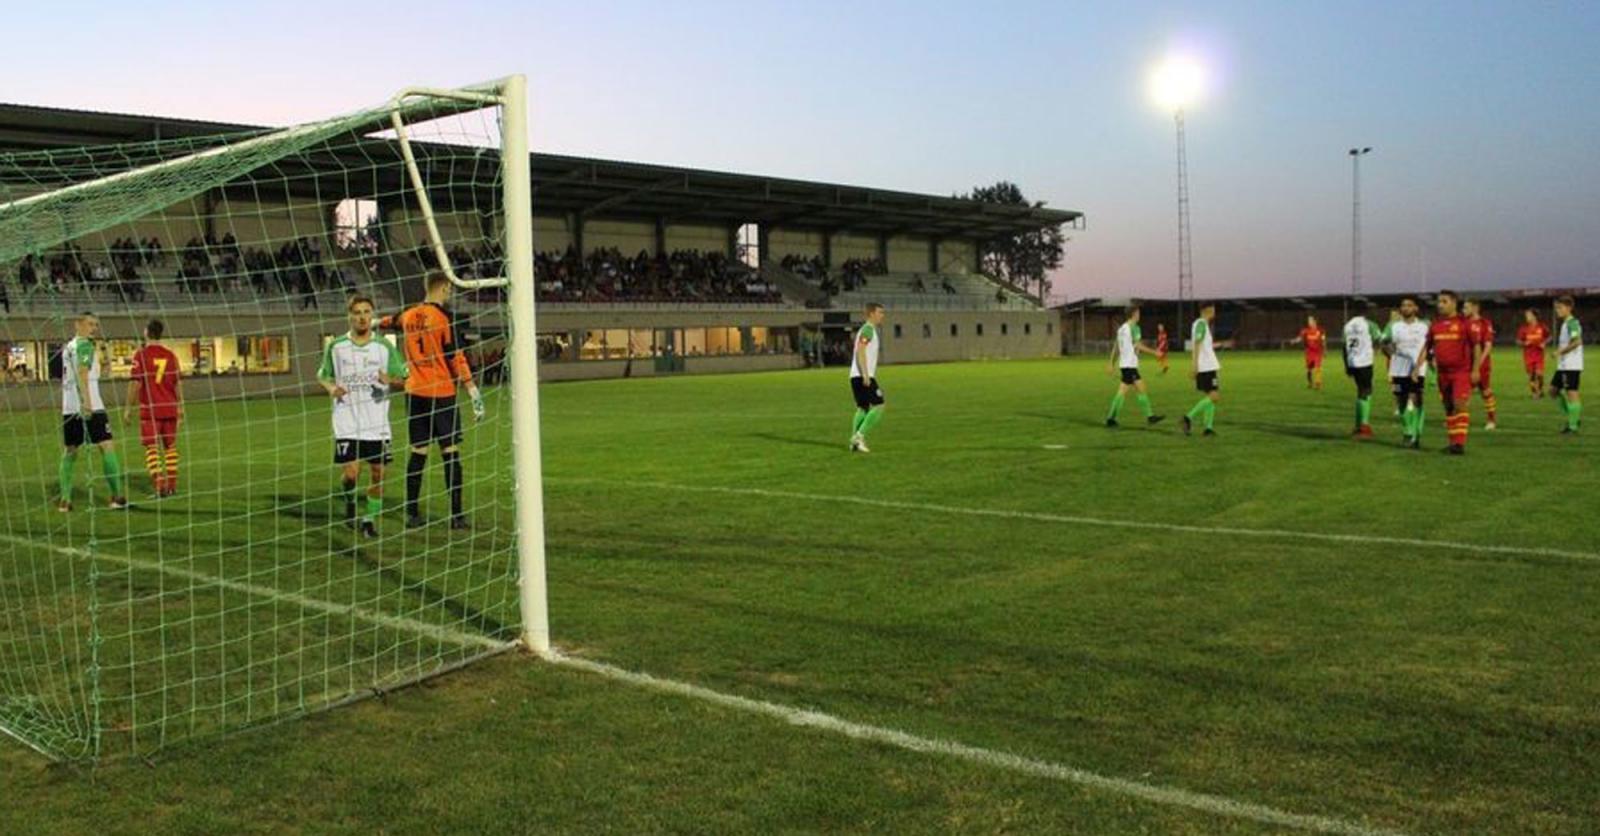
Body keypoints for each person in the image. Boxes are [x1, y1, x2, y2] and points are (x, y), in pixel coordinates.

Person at [389, 273, 484, 530]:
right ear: (443, 288)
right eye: (449, 290)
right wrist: (471, 388)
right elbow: (456, 357)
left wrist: (377, 320)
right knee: (450, 453)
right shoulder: (444, 318)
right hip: (441, 393)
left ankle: (412, 514)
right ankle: (456, 516)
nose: (450, 294)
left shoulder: (408, 315)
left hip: (414, 393)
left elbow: (391, 321)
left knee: (418, 453)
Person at [320, 295, 408, 538]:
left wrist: (390, 380)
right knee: (351, 474)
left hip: (377, 423)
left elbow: (405, 378)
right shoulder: (336, 346)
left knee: (378, 473)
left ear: (372, 315)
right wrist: (331, 389)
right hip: (346, 421)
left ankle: (369, 519)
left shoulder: (384, 347)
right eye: (357, 312)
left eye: (366, 312)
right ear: (349, 316)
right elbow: (323, 375)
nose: (362, 317)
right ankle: (350, 501)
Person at [57, 312, 127, 511]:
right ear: (77, 324)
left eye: (95, 325)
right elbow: (82, 372)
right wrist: (87, 401)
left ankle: (65, 500)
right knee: (107, 446)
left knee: (70, 450)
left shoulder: (69, 347)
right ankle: (117, 496)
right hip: (92, 406)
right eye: (90, 324)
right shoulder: (85, 345)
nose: (93, 328)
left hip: (69, 407)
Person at [123, 319, 183, 497]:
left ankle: (159, 486)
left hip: (150, 409)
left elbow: (135, 383)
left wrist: (128, 408)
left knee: (151, 448)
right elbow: (177, 383)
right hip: (170, 407)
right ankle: (172, 486)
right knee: (170, 446)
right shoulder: (171, 356)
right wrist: (180, 407)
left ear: (146, 332)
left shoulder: (140, 355)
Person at [1424, 290, 1477, 455]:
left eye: (1444, 301)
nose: (1440, 305)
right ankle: (1453, 443)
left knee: (1459, 404)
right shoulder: (1436, 325)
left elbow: (1477, 346)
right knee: (1448, 407)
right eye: (1439, 302)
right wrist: (1425, 362)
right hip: (1442, 373)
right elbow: (1428, 346)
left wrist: (1475, 369)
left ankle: (1460, 444)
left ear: (1454, 303)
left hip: (1461, 372)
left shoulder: (1464, 323)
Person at [1104, 305, 1165, 428]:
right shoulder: (1134, 328)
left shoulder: (1122, 329)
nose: (1139, 315)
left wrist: (1111, 363)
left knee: (1137, 389)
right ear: (1134, 314)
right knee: (1126, 391)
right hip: (1130, 365)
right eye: (1138, 313)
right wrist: (1155, 353)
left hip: (1125, 365)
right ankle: (1148, 417)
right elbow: (1138, 346)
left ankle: (1113, 418)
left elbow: (1116, 348)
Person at [1385, 297, 1430, 448]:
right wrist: (1391, 353)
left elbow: (1429, 346)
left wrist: (1423, 364)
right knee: (1401, 400)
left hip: (1418, 368)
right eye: (1403, 305)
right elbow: (1384, 343)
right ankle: (1407, 431)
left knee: (1417, 398)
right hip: (1399, 367)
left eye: (1409, 305)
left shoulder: (1424, 326)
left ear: (1416, 308)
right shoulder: (1393, 326)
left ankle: (1416, 434)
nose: (1405, 308)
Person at [1181, 301, 1225, 436]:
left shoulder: (1200, 324)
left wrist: (1220, 344)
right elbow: (1197, 344)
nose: (1215, 311)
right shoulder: (1201, 324)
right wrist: (1194, 365)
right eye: (1213, 308)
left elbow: (1204, 345)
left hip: (1206, 366)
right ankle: (1188, 418)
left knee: (1210, 396)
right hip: (1206, 367)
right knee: (1214, 396)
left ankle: (1208, 428)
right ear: (1208, 310)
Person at [848, 303, 887, 453]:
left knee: (863, 408)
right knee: (879, 405)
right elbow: (861, 351)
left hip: (854, 375)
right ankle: (859, 436)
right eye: (880, 312)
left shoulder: (868, 330)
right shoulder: (868, 329)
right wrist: (865, 374)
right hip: (863, 375)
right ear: (871, 314)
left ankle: (854, 442)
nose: (882, 315)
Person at [1342, 309, 1384, 438]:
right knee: (1366, 391)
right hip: (1365, 362)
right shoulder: (1369, 324)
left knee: (1360, 392)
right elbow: (1381, 338)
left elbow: (1344, 347)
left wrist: (1347, 365)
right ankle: (1364, 427)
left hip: (1352, 362)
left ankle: (1358, 425)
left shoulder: (1347, 325)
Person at [1462, 299, 1499, 430]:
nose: (1463, 310)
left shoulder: (1485, 323)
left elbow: (1488, 346)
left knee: (1485, 391)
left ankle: (1491, 420)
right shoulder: (1463, 323)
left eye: (1466, 307)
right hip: (1465, 364)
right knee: (1463, 393)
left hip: (1482, 365)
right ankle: (1460, 419)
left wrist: (1478, 364)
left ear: (1475, 308)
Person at [1551, 295, 1583, 434]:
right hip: (1563, 365)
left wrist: (1560, 352)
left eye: (1560, 307)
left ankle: (1573, 425)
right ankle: (1573, 418)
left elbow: (1577, 342)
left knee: (1572, 393)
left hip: (1572, 365)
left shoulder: (1572, 323)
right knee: (1553, 391)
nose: (1557, 310)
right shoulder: (1565, 323)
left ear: (1569, 308)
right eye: (1556, 308)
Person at [1515, 308, 1550, 399]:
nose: (1526, 317)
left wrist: (1544, 343)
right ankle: (1534, 393)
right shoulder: (1523, 328)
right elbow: (1518, 341)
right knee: (1531, 376)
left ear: (1534, 316)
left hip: (1539, 355)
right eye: (1526, 315)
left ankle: (1540, 390)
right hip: (1528, 355)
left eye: (1528, 315)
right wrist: (1524, 343)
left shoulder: (1542, 327)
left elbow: (1549, 337)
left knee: (1539, 374)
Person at [1289, 315, 1327, 390]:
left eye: (1310, 320)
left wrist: (1325, 350)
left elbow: (1323, 340)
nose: (1309, 322)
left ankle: (1318, 383)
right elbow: (1299, 338)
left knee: (1317, 367)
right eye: (1308, 321)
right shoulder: (1305, 331)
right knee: (1309, 369)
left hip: (1318, 352)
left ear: (1315, 321)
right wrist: (1294, 341)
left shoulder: (1321, 330)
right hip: (1309, 352)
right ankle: (1310, 383)